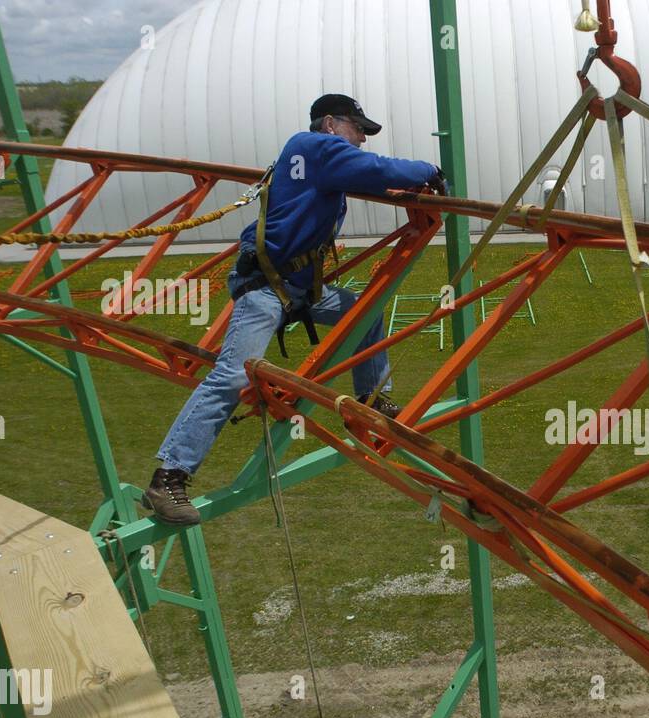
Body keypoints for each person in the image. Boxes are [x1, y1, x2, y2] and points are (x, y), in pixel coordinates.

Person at [144, 94, 445, 526]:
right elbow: (378, 170)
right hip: (265, 287)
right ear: (329, 123)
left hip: (297, 288)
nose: (361, 138)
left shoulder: (315, 153)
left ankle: (373, 398)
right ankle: (168, 477)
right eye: (357, 128)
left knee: (364, 310)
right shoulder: (318, 148)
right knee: (232, 375)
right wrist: (429, 171)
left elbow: (366, 175)